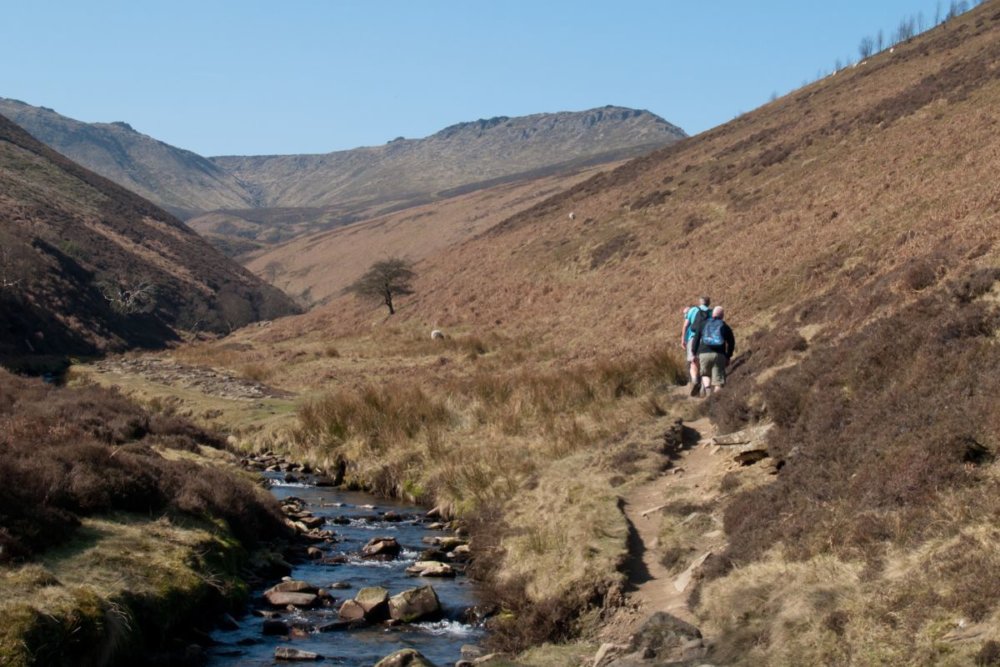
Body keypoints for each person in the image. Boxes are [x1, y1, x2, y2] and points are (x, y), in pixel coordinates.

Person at [691, 306, 735, 396]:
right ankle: (716, 399)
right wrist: (728, 356)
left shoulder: (703, 324)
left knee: (705, 374)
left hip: (703, 353)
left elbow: (696, 339)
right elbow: (731, 342)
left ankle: (708, 393)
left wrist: (693, 353)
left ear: (713, 314)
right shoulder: (724, 326)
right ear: (722, 315)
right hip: (719, 355)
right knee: (718, 380)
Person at [681, 296, 711, 396]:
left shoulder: (693, 310)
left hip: (693, 338)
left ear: (699, 302)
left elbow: (685, 325)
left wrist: (683, 339)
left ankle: (694, 382)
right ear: (708, 303)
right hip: (706, 338)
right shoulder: (711, 312)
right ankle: (704, 387)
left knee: (693, 362)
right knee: (704, 363)